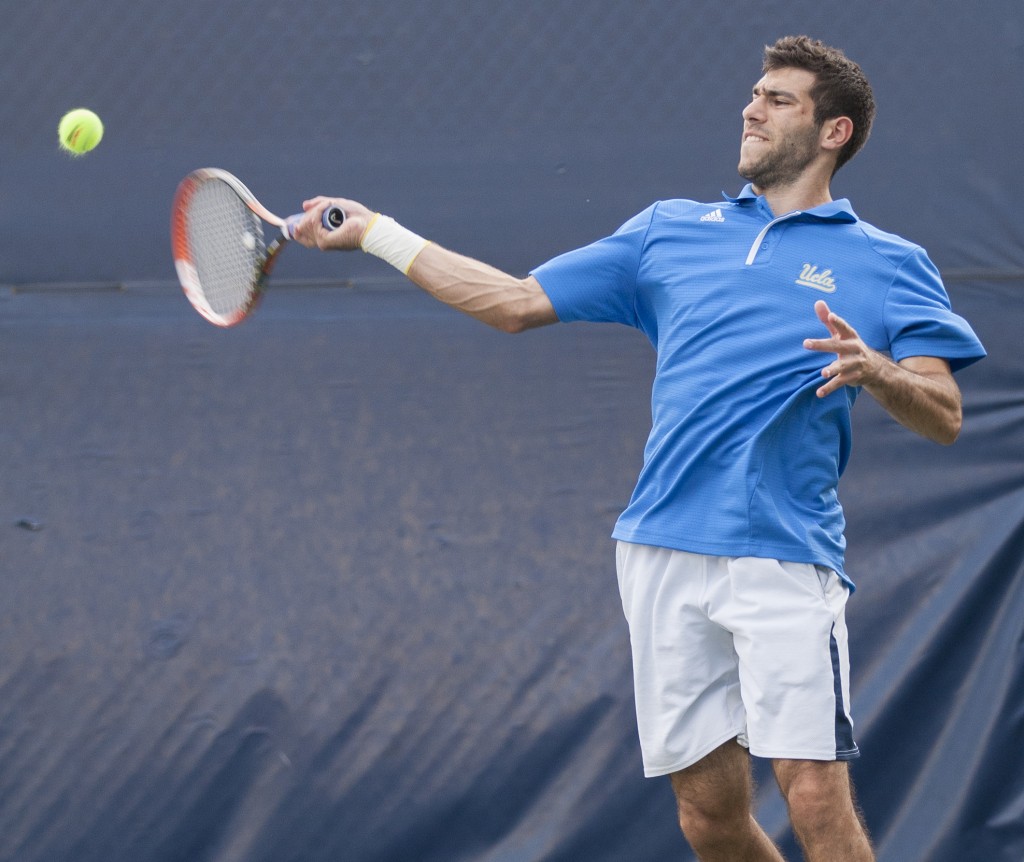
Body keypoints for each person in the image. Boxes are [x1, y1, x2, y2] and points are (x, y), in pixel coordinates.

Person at [293, 35, 985, 862]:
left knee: (812, 793)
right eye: (753, 94)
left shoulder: (889, 263)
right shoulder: (668, 231)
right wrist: (377, 233)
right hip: (660, 550)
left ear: (833, 132)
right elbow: (512, 302)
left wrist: (876, 368)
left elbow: (944, 414)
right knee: (709, 816)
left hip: (783, 553)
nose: (751, 109)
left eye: (778, 99)